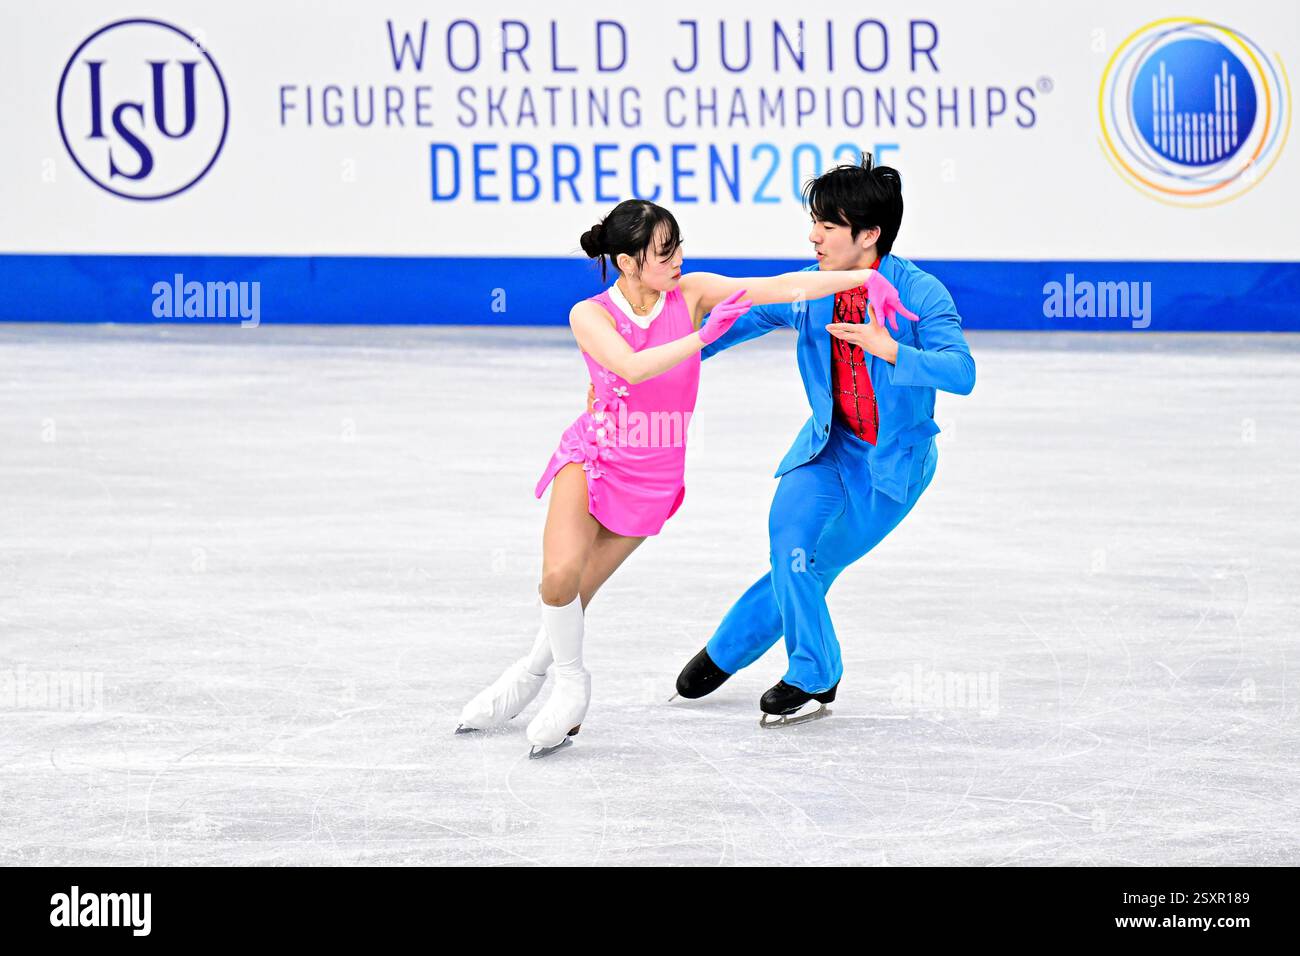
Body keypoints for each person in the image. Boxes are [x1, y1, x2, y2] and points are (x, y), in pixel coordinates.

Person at [455, 197, 906, 756]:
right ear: (626, 262)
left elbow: (781, 287)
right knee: (558, 575)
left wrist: (868, 276)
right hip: (593, 454)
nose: (678, 260)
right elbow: (632, 367)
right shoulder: (589, 314)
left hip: (652, 476)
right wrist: (701, 336)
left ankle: (528, 673)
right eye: (663, 253)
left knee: (581, 589)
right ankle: (570, 685)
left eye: (678, 247)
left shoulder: (690, 293)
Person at [672, 155, 977, 727]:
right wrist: (672, 360)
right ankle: (813, 670)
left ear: (869, 236)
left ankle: (733, 652)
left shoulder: (920, 293)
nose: (814, 235)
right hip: (827, 449)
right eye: (815, 221)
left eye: (829, 225)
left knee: (814, 562)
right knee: (789, 546)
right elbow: (743, 320)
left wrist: (888, 347)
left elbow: (961, 373)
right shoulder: (813, 289)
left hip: (892, 466)